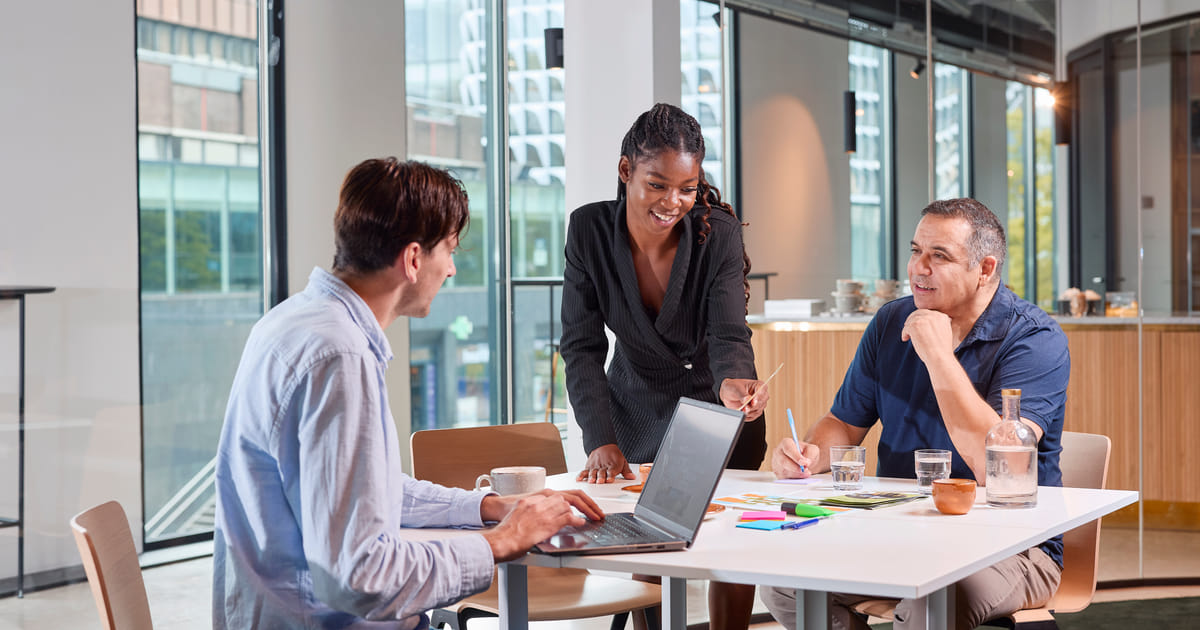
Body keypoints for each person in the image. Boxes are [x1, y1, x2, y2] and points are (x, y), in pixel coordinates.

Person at [212, 157, 603, 629]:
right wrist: (499, 542)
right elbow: (359, 578)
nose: (453, 269)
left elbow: (361, 491)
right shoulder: (341, 356)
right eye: (451, 251)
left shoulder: (292, 321)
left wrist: (485, 508)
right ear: (414, 260)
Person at [761, 198, 1069, 630]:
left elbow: (996, 466)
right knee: (783, 582)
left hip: (1013, 546)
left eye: (939, 256)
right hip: (900, 530)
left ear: (984, 269)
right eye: (915, 251)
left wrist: (939, 356)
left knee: (933, 602)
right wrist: (810, 454)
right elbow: (844, 424)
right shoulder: (891, 321)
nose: (918, 267)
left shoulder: (1034, 338)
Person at [560, 103, 767, 630]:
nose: (672, 202)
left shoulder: (715, 232)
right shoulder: (588, 231)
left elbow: (727, 332)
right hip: (636, 404)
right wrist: (599, 437)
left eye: (687, 188)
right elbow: (581, 345)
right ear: (626, 169)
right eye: (657, 184)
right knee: (648, 546)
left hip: (713, 410)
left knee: (729, 548)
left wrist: (732, 386)